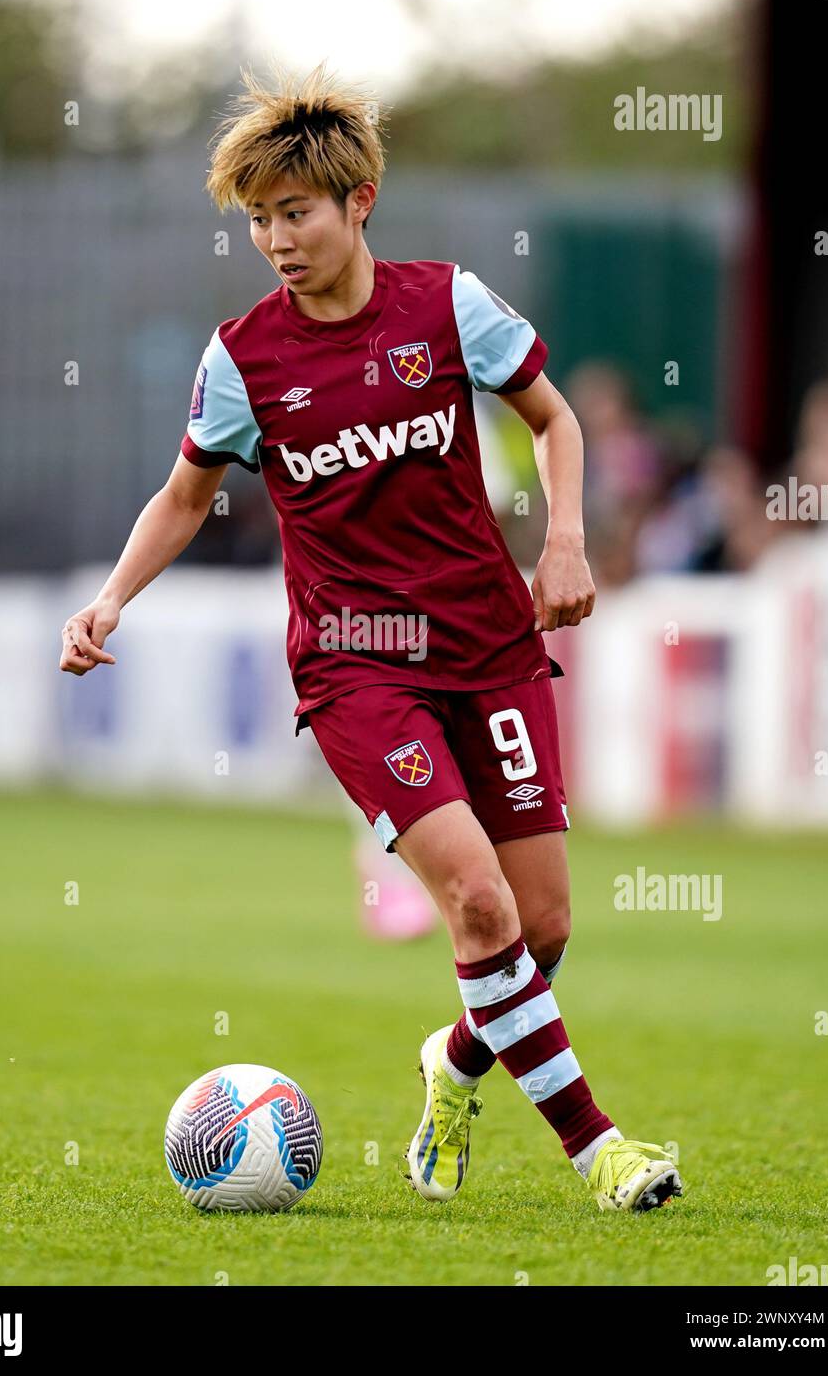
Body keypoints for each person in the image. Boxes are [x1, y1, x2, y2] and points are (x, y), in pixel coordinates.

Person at [59, 63, 682, 1214]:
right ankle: (600, 1151)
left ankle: (450, 1065)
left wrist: (563, 543)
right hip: (354, 664)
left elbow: (553, 419)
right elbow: (185, 494)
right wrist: (110, 600)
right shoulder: (243, 358)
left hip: (489, 646)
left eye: (293, 212)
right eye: (256, 219)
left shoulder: (447, 303)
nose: (275, 239)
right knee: (480, 910)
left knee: (538, 929)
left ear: (359, 203)